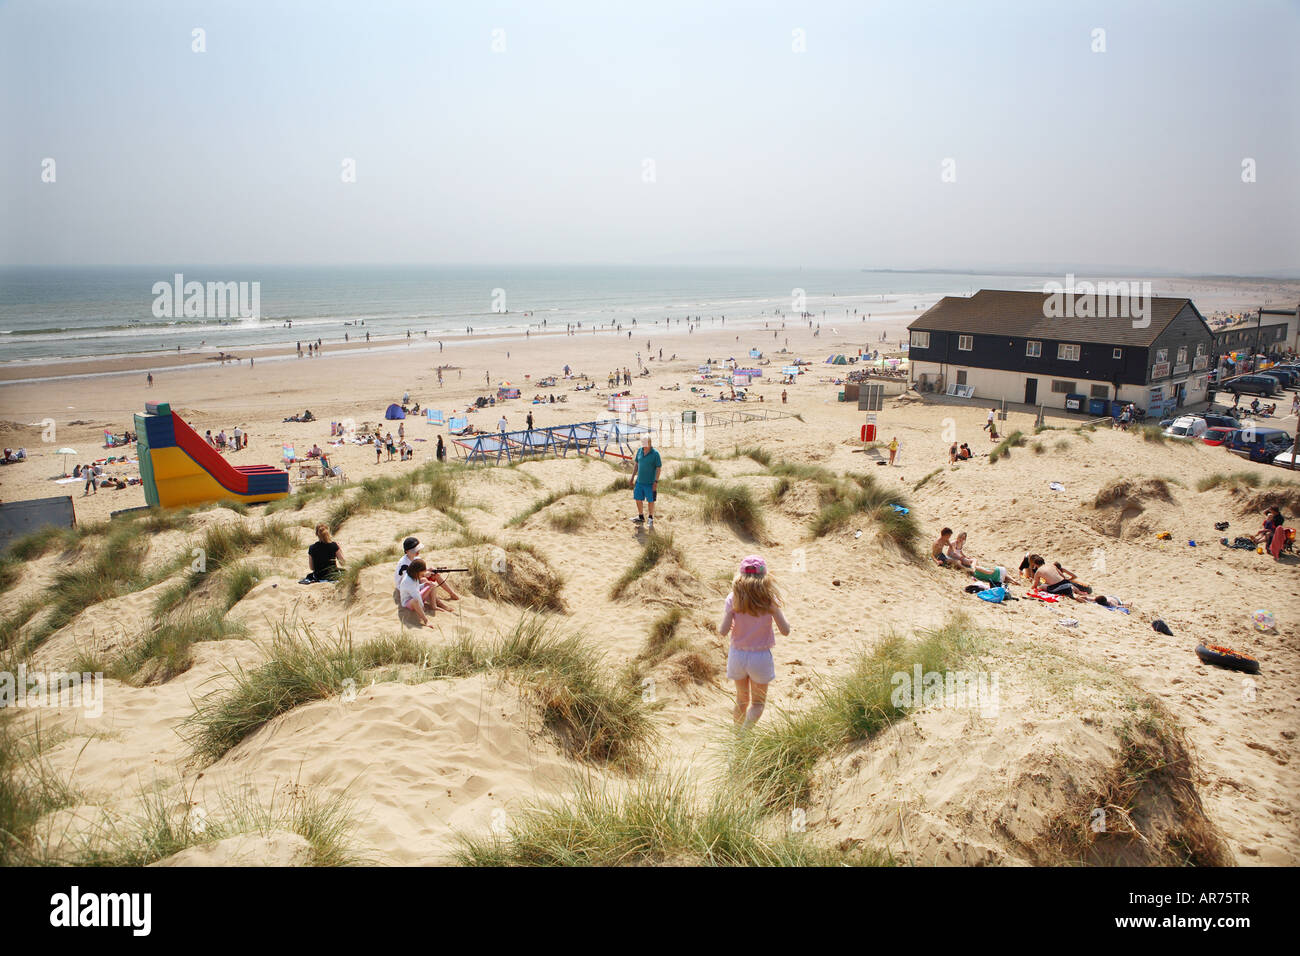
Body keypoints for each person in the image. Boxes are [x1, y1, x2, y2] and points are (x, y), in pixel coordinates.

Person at [718, 555, 790, 728]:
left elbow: (722, 631)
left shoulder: (733, 599)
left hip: (737, 655)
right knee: (758, 704)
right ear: (764, 578)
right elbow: (785, 631)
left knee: (741, 701)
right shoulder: (769, 600)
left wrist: (733, 614)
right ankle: (744, 736)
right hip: (760, 657)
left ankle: (736, 738)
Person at [394, 537, 459, 605]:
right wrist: (424, 575)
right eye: (414, 551)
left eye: (418, 550)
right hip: (406, 587)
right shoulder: (404, 564)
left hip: (415, 579)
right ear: (407, 551)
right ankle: (439, 603)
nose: (417, 553)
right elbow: (408, 580)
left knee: (435, 575)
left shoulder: (416, 558)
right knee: (424, 581)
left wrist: (428, 570)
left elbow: (419, 570)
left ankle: (452, 593)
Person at [632, 435, 661, 528]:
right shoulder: (640, 451)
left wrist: (656, 481)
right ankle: (641, 516)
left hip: (650, 483)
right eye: (642, 442)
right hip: (639, 481)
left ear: (650, 443)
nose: (644, 445)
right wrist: (632, 477)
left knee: (650, 500)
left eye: (646, 443)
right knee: (637, 498)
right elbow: (636, 464)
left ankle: (650, 518)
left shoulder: (655, 454)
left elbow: (658, 468)